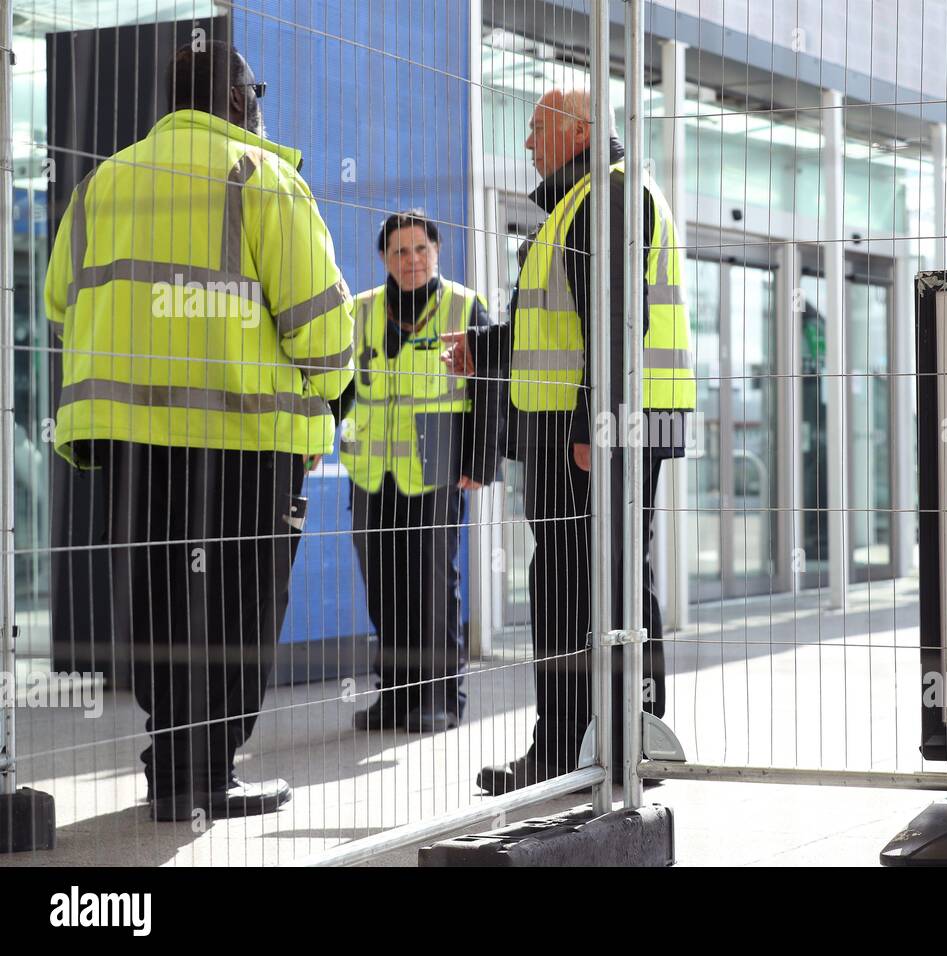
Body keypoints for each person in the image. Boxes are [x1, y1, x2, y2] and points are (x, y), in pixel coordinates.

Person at [45, 41, 354, 820]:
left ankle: (174, 760)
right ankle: (206, 770)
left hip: (135, 440)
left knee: (159, 601)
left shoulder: (101, 184)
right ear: (241, 98)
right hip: (245, 443)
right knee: (240, 607)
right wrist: (335, 388)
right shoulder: (264, 180)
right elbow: (321, 330)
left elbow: (59, 303)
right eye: (259, 91)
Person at [442, 88, 695, 793]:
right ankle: (597, 744)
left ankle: (596, 747)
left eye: (535, 130)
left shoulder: (607, 195)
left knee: (580, 588)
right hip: (582, 434)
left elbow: (618, 321)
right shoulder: (582, 199)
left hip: (591, 437)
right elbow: (561, 325)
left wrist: (595, 428)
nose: (526, 145)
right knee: (588, 586)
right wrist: (484, 349)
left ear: (579, 131)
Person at [335, 211, 504, 733]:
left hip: (436, 459)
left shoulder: (462, 304)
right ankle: (395, 696)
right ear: (384, 258)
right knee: (383, 584)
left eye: (421, 250)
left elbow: (489, 387)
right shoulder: (359, 311)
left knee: (430, 584)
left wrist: (481, 459)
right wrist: (312, 439)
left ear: (437, 253)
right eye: (400, 252)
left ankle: (441, 698)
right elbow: (339, 384)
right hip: (370, 469)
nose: (412, 261)